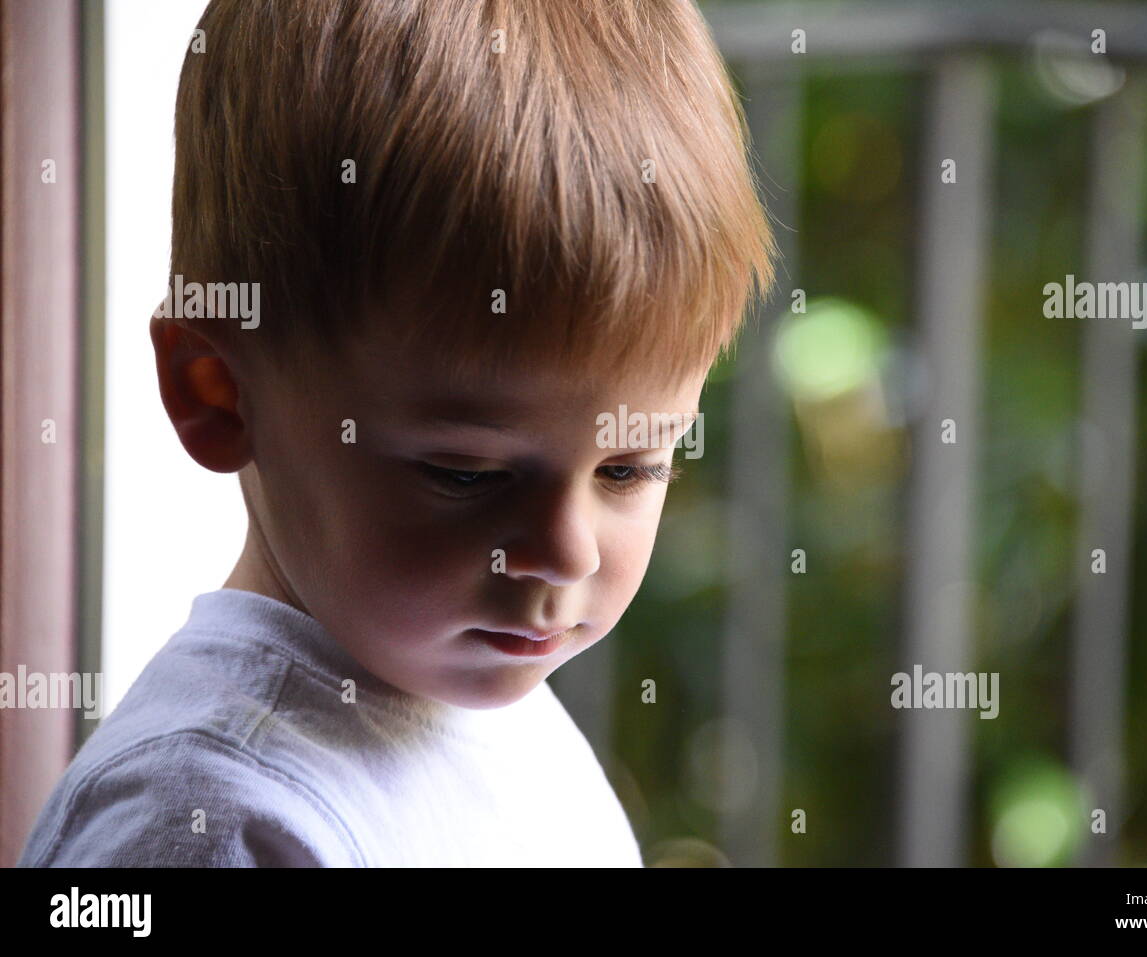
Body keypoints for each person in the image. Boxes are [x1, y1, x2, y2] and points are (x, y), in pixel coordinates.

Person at [20, 0, 775, 866]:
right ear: (219, 393)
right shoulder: (211, 819)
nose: (567, 554)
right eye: (466, 473)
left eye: (629, 468)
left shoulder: (494, 716)